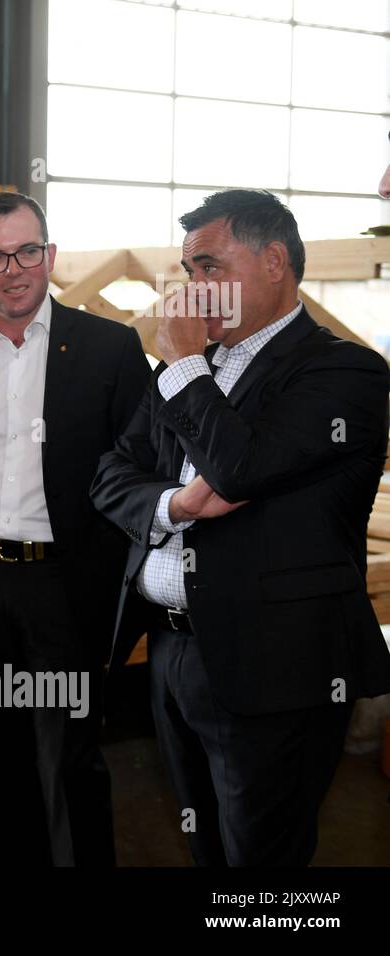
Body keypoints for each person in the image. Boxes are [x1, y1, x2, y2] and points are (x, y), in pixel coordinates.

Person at [91, 188, 390, 866]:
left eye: (210, 266)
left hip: (275, 665)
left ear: (274, 262)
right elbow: (111, 474)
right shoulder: (187, 371)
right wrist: (176, 505)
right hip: (172, 652)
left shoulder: (342, 371)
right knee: (206, 847)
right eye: (189, 270)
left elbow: (241, 468)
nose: (195, 287)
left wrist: (184, 365)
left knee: (262, 859)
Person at [0, 192, 149, 865]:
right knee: (1, 761)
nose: (13, 269)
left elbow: (137, 466)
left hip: (67, 587)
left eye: (26, 252)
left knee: (72, 761)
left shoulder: (109, 347)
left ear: (49, 255)